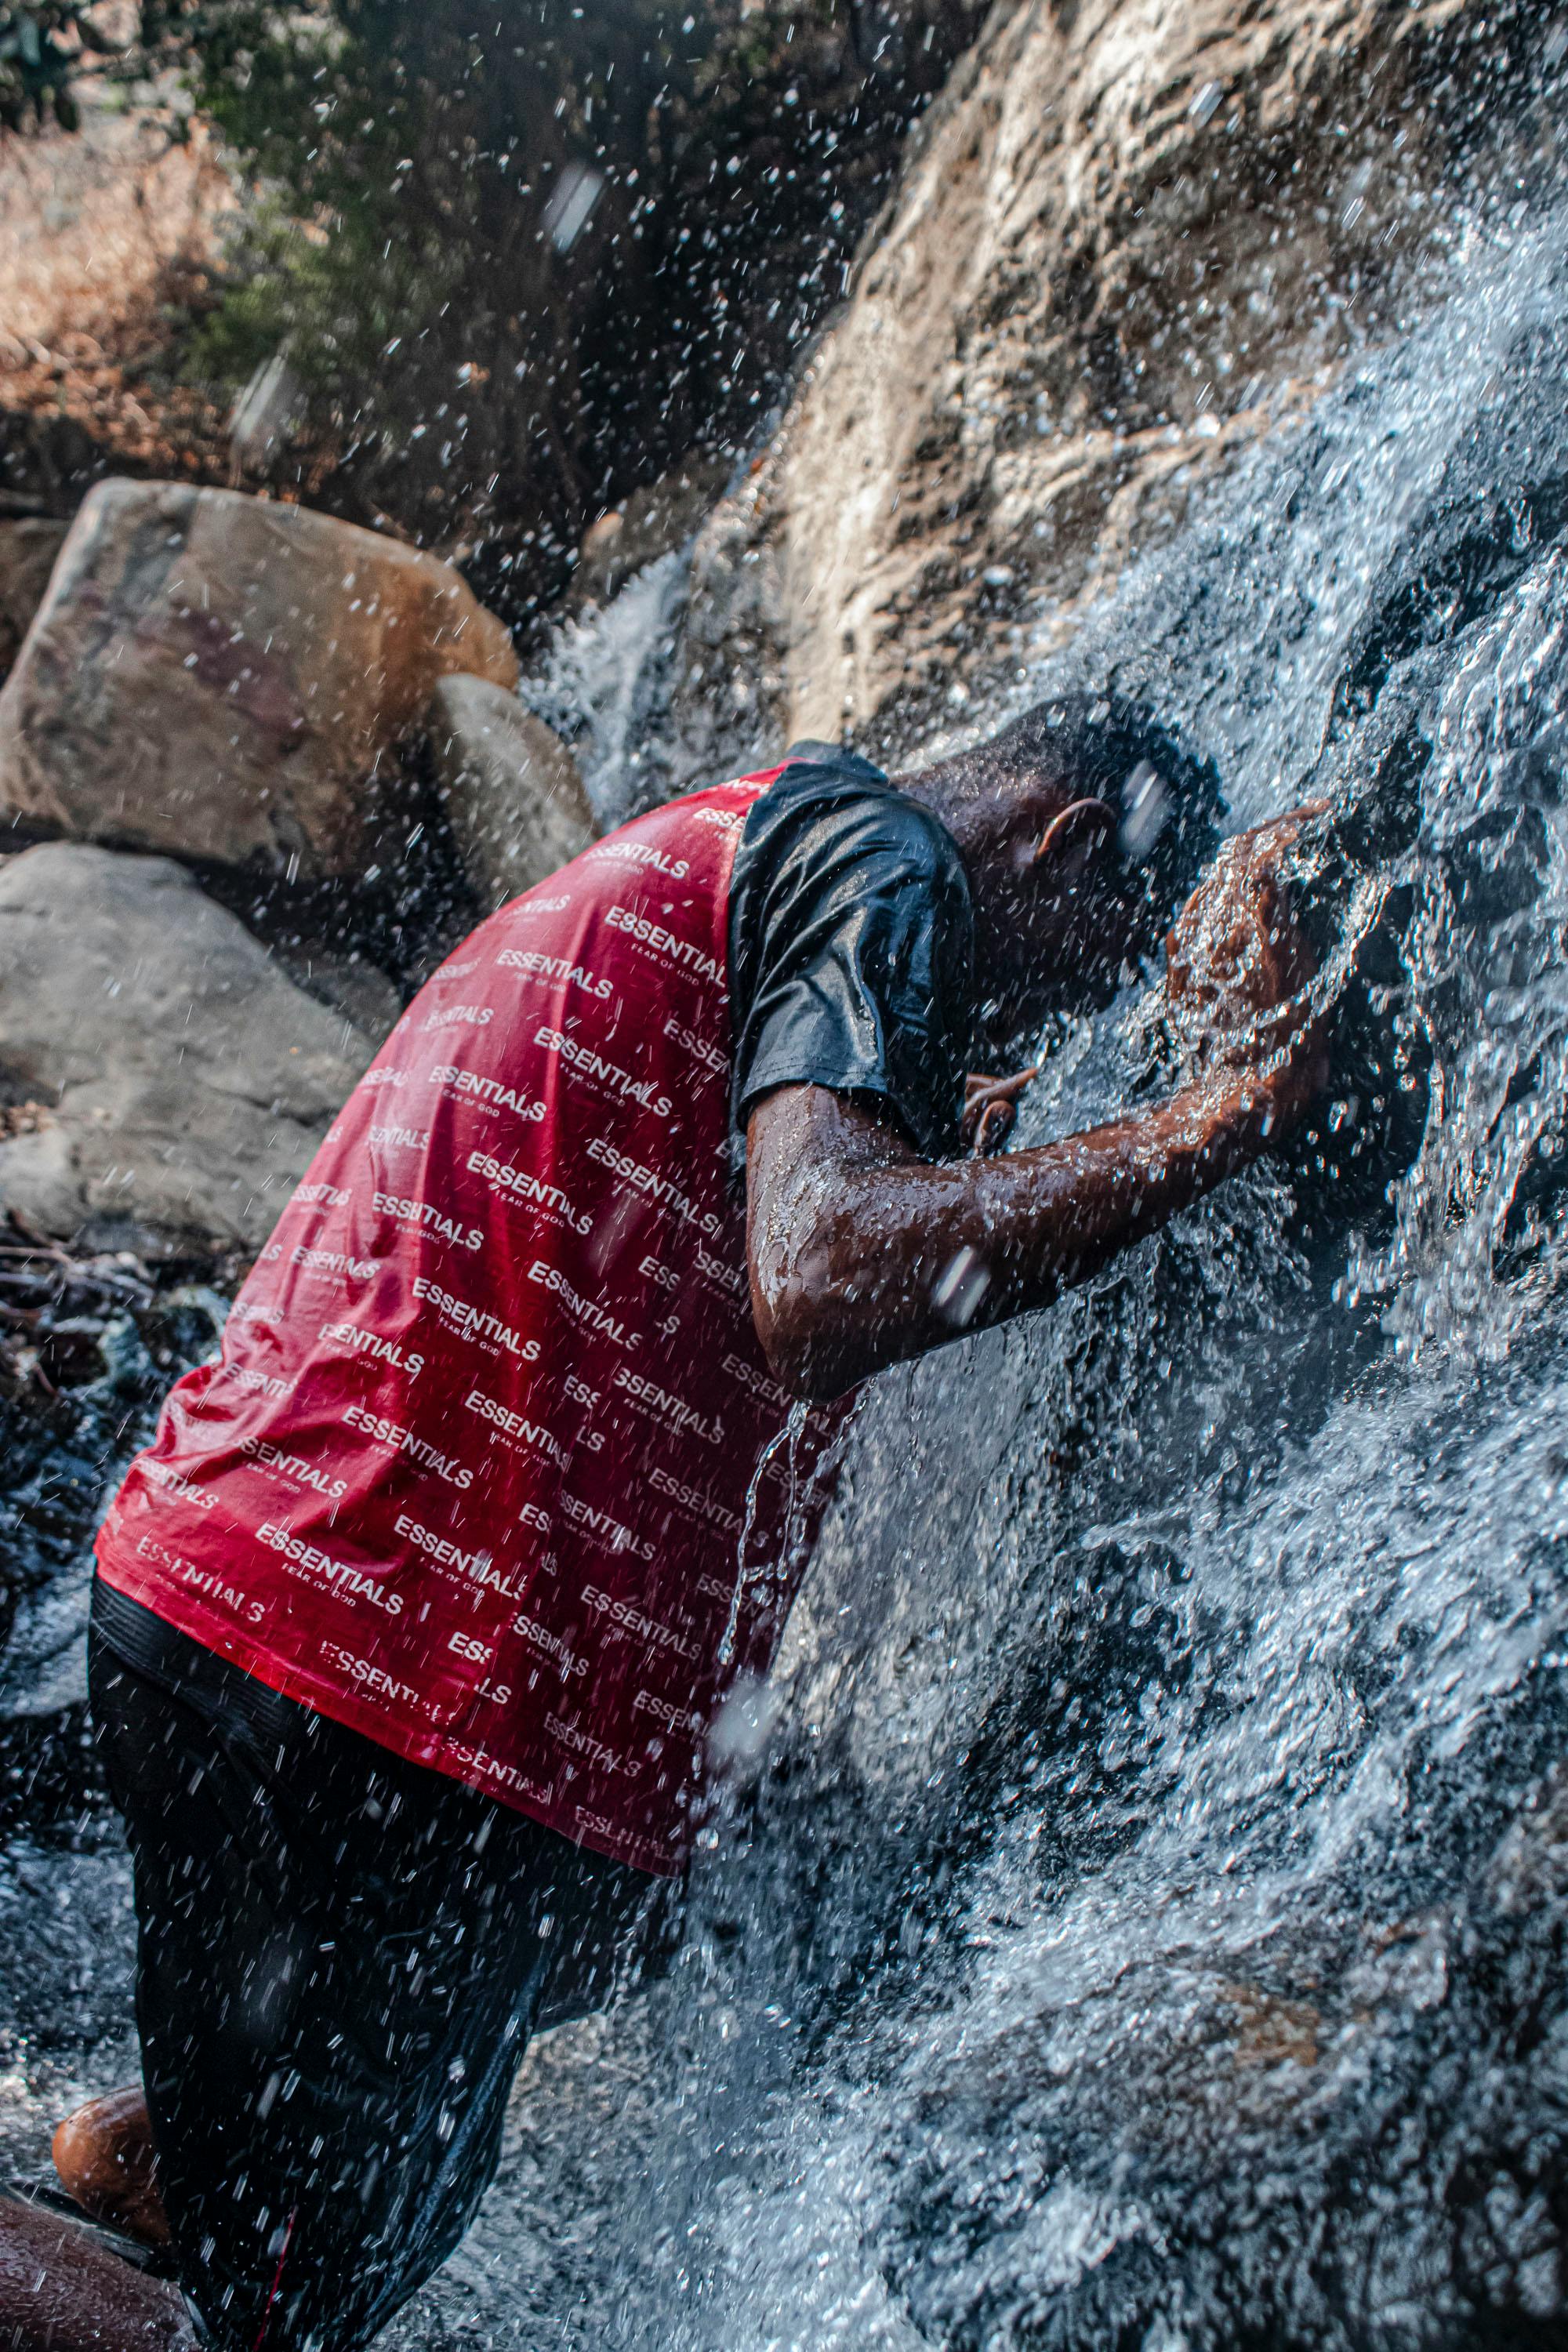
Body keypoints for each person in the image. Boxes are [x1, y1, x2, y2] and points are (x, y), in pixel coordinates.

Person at [0, 700, 1327, 2352]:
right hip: (382, 1683)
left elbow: (711, 1250)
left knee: (721, 1867)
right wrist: (1225, 1113)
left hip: (294, 1614)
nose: (1052, 1019)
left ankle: (164, 2156)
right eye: (1085, 964)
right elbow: (828, 1272)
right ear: (1056, 843)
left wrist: (948, 1158)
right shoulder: (885, 860)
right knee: (249, 2341)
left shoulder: (740, 844)